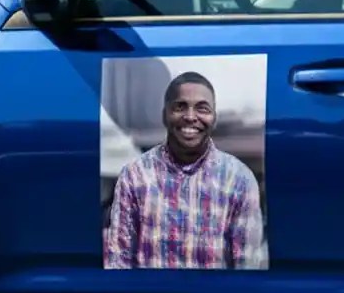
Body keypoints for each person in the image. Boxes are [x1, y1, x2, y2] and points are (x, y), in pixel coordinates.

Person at [103, 71, 267, 269]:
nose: (190, 117)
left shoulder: (239, 180)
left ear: (214, 118)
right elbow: (119, 261)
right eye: (180, 107)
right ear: (165, 116)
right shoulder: (135, 175)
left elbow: (247, 268)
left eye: (202, 108)